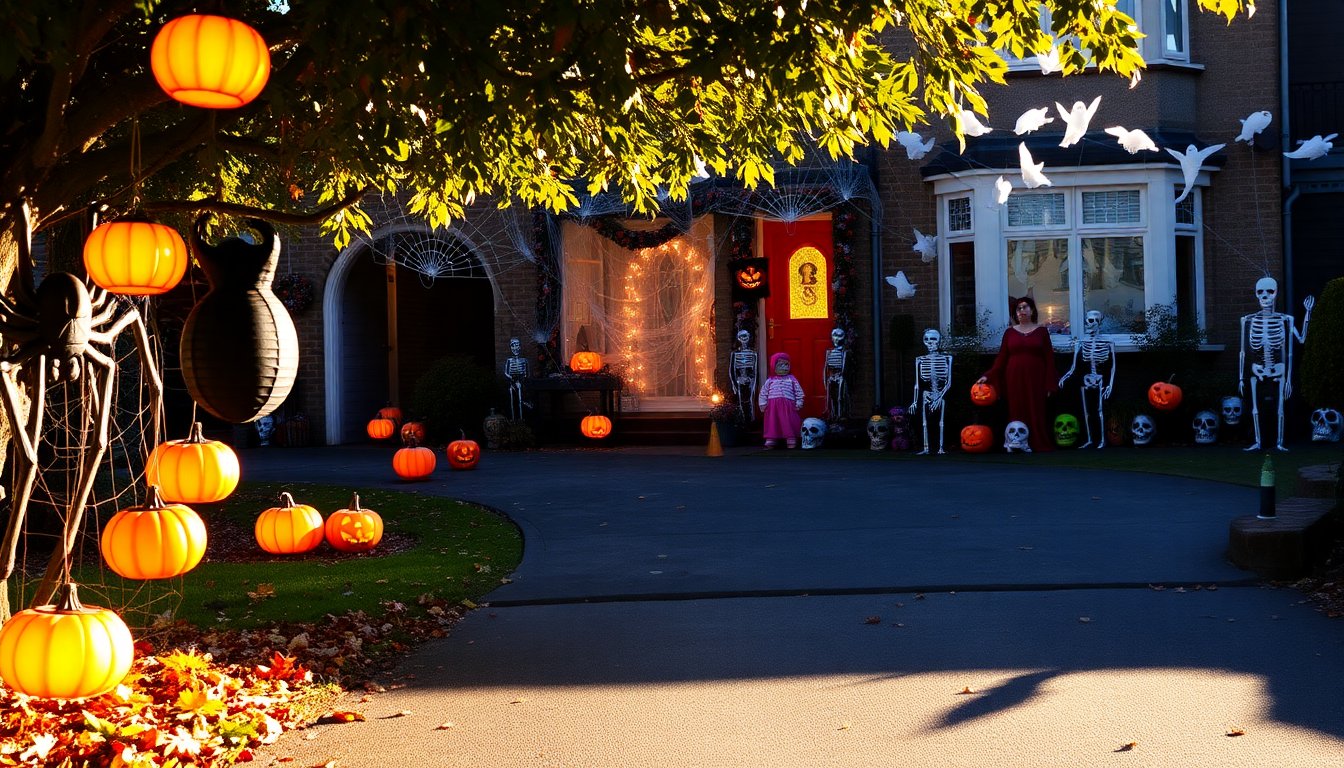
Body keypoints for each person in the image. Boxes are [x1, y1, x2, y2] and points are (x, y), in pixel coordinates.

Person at [977, 296, 1058, 452]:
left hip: (1036, 377)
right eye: (1018, 308)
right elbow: (1001, 359)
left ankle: (1037, 441)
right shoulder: (1009, 333)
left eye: (1025, 307)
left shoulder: (1042, 332)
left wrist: (1050, 383)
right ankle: (1017, 442)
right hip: (1014, 377)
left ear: (1032, 310)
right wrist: (988, 375)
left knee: (1036, 408)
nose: (1022, 311)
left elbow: (1049, 359)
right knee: (1017, 408)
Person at [758, 351, 804, 448]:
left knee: (788, 421)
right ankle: (771, 437)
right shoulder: (770, 380)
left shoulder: (791, 379)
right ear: (773, 366)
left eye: (786, 365)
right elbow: (763, 392)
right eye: (780, 365)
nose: (784, 367)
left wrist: (799, 402)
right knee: (773, 421)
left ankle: (790, 437)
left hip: (788, 405)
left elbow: (798, 391)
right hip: (772, 406)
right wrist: (763, 404)